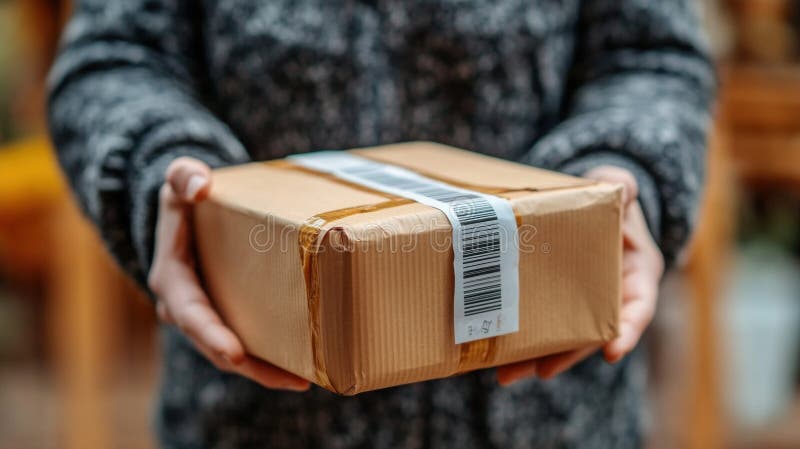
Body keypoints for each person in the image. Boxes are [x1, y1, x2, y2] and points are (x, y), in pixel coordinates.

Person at [47, 0, 715, 448]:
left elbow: (651, 58)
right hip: (254, 410)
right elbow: (112, 59)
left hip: (552, 414)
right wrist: (162, 173)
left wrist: (625, 172)